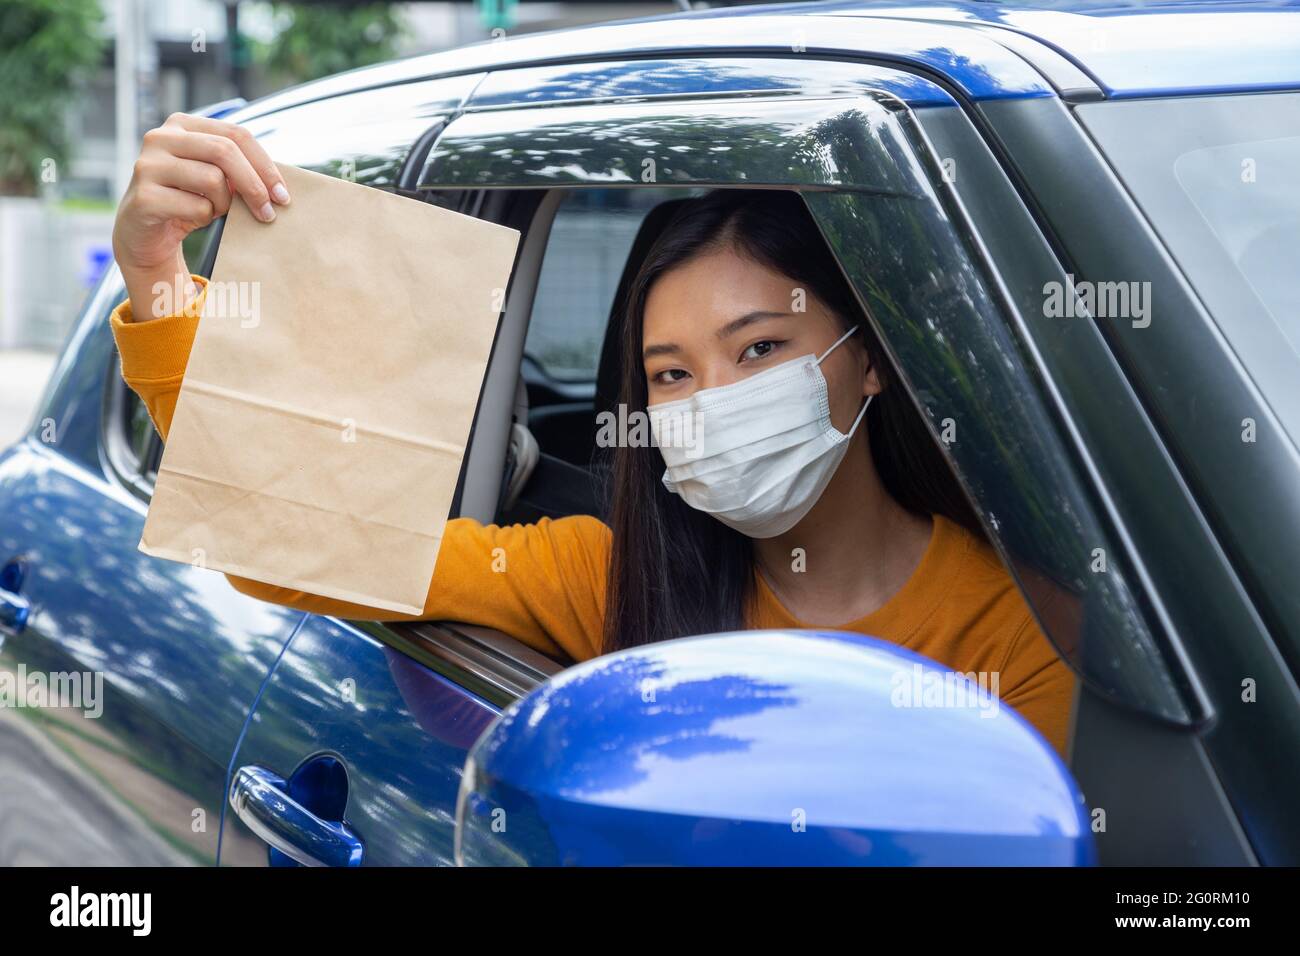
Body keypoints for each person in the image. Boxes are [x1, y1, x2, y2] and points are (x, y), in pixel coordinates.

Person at [111, 113, 1077, 758]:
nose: (711, 400)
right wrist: (159, 274)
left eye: (760, 349)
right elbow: (288, 531)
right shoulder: (609, 577)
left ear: (869, 360)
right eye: (670, 374)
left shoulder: (1018, 631)